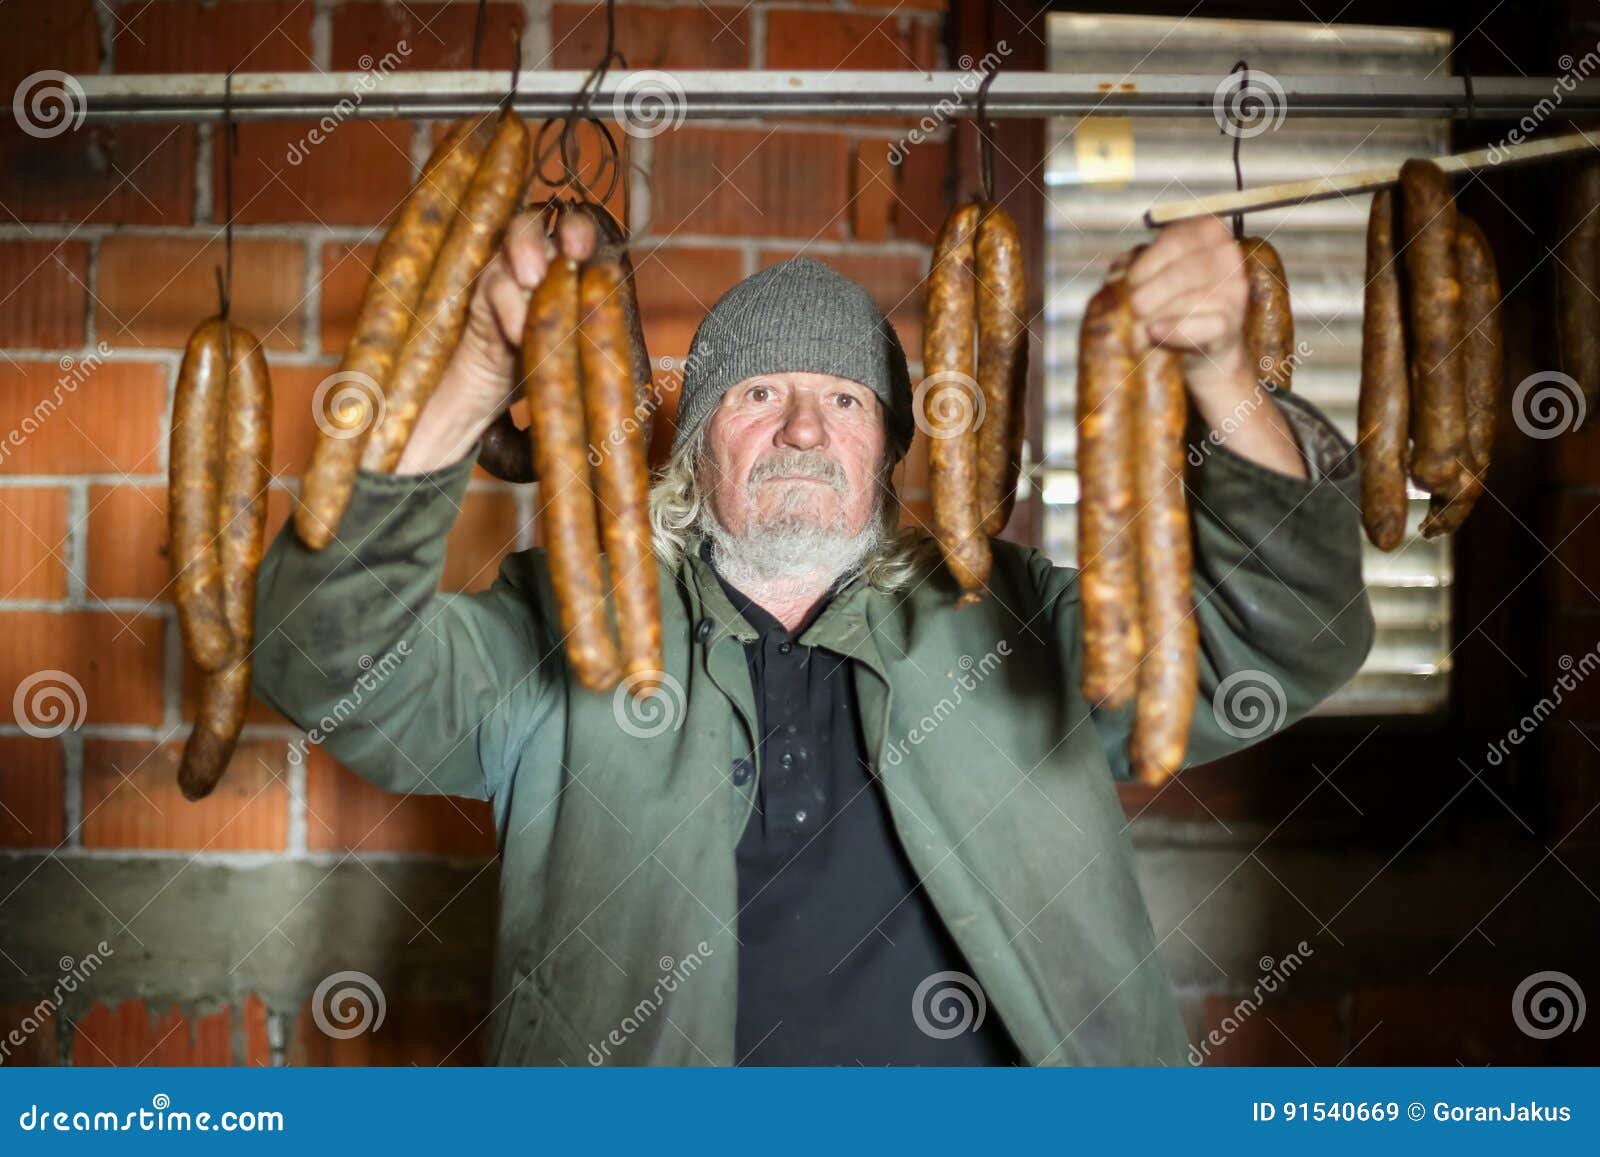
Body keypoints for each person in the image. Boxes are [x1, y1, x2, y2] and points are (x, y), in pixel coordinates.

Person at [253, 210, 1372, 1066]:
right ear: (695, 448)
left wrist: (1225, 381)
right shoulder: (553, 626)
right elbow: (329, 660)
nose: (801, 427)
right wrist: (475, 381)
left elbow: (1276, 649)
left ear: (885, 449)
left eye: (843, 398)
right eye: (757, 394)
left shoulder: (1017, 616)